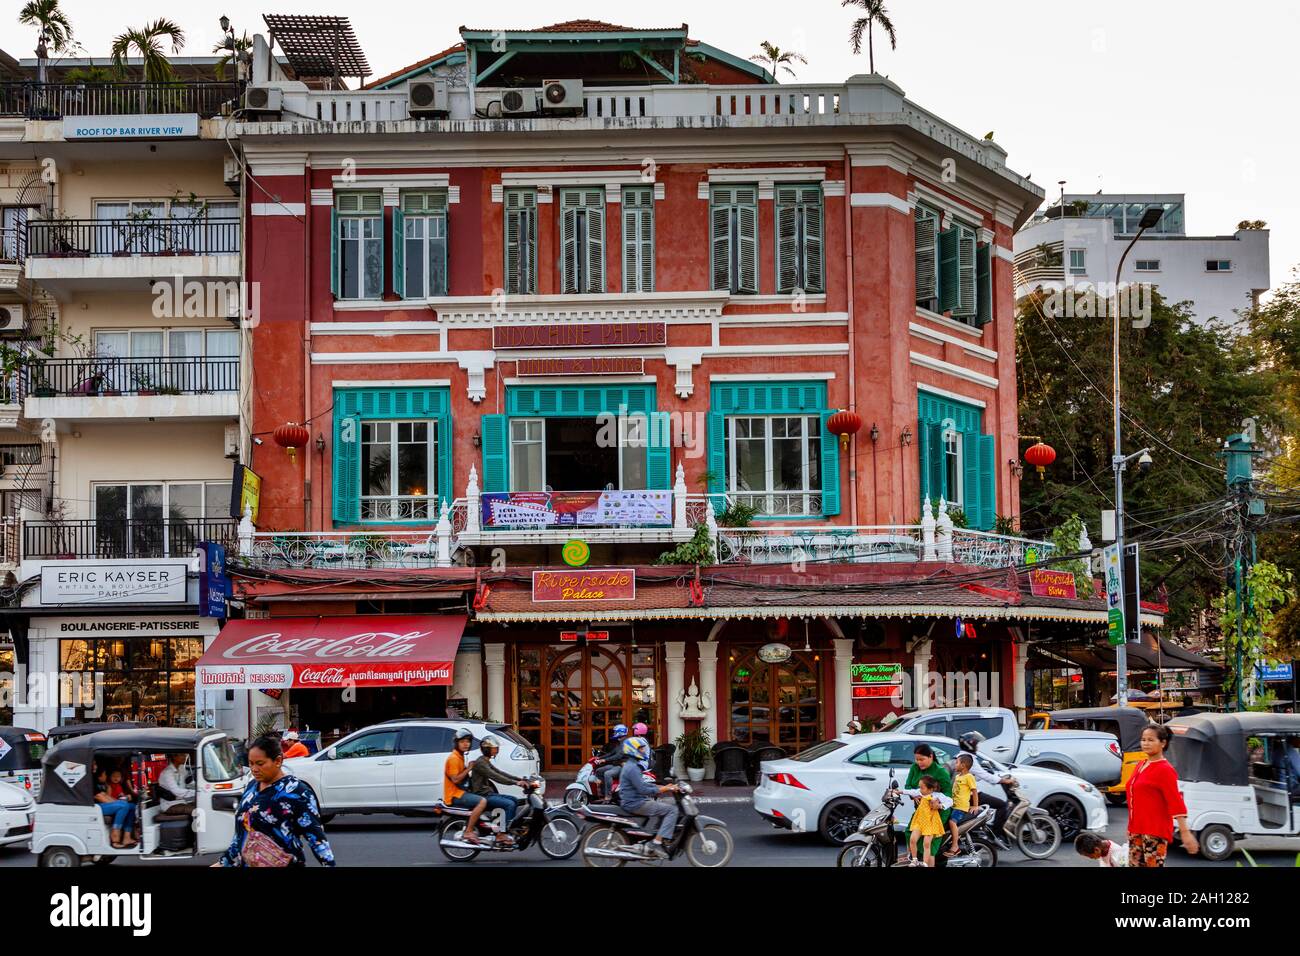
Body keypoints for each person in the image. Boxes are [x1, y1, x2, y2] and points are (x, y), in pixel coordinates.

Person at [217, 734, 334, 867]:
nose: (254, 769)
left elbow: (317, 839)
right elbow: (240, 837)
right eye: (251, 763)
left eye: (260, 764)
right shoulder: (251, 788)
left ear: (278, 761)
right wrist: (223, 862)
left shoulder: (297, 791)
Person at [1126, 723, 1198, 867]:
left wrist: (1185, 833)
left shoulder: (1165, 770)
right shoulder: (1141, 764)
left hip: (1154, 832)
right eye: (1143, 739)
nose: (1145, 743)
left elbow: (1175, 801)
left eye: (1151, 740)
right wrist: (1131, 828)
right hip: (1136, 830)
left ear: (1163, 743)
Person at [617, 736, 679, 859]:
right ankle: (656, 843)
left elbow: (643, 784)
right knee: (672, 810)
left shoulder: (632, 765)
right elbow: (643, 789)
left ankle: (657, 835)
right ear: (632, 749)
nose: (643, 751)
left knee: (664, 808)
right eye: (640, 748)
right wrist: (663, 789)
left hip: (635, 800)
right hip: (635, 803)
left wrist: (664, 786)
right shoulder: (632, 768)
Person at [467, 735, 526, 844]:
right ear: (487, 749)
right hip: (482, 796)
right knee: (510, 804)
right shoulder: (480, 763)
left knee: (514, 800)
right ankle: (501, 834)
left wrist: (520, 779)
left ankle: (503, 827)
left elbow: (499, 772)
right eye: (494, 748)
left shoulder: (485, 761)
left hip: (488, 793)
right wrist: (516, 783)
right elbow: (496, 777)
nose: (497, 750)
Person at [957, 731, 1013, 845]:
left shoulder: (962, 756)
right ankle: (996, 835)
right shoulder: (967, 759)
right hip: (971, 795)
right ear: (970, 745)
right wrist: (1004, 780)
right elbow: (985, 776)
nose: (977, 747)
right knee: (1002, 805)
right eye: (976, 744)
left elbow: (977, 775)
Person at [444, 727, 493, 844]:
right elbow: (455, 780)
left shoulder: (460, 756)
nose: (466, 744)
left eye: (468, 741)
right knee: (482, 801)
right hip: (454, 795)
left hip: (461, 791)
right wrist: (469, 768)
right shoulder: (454, 759)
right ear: (456, 743)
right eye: (462, 742)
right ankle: (468, 831)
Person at [905, 743, 952, 859]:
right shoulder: (914, 768)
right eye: (916, 759)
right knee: (909, 832)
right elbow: (907, 787)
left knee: (930, 842)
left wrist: (938, 804)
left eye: (922, 759)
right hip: (921, 812)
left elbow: (948, 794)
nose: (918, 762)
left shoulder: (941, 772)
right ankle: (912, 858)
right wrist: (914, 796)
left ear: (931, 756)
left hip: (937, 813)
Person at [903, 775, 950, 867]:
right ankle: (915, 860)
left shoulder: (937, 796)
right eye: (919, 787)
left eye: (921, 787)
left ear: (930, 789)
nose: (919, 789)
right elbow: (911, 791)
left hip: (931, 822)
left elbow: (950, 801)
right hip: (920, 822)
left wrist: (940, 806)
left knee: (927, 843)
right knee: (912, 839)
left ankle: (925, 863)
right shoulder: (921, 793)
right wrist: (898, 791)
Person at [93, 765, 137, 849]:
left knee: (132, 806)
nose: (105, 776)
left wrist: (120, 801)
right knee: (124, 805)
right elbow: (101, 797)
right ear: (100, 776)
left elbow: (107, 796)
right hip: (97, 807)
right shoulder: (94, 784)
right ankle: (115, 836)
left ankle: (127, 837)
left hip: (104, 804)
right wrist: (120, 803)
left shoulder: (103, 784)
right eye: (105, 774)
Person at [946, 752, 979, 856]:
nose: (955, 765)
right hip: (953, 805)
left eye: (956, 763)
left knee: (952, 822)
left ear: (963, 765)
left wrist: (975, 805)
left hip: (961, 807)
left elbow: (974, 791)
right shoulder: (958, 777)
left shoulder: (969, 777)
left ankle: (955, 846)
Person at [596, 723, 630, 801]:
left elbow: (618, 756)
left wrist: (605, 760)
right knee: (599, 771)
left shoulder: (625, 743)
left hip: (623, 766)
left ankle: (608, 796)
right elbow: (612, 753)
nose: (614, 733)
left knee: (608, 774)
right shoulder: (620, 742)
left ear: (620, 732)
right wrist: (598, 757)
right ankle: (603, 792)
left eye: (615, 732)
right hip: (617, 764)